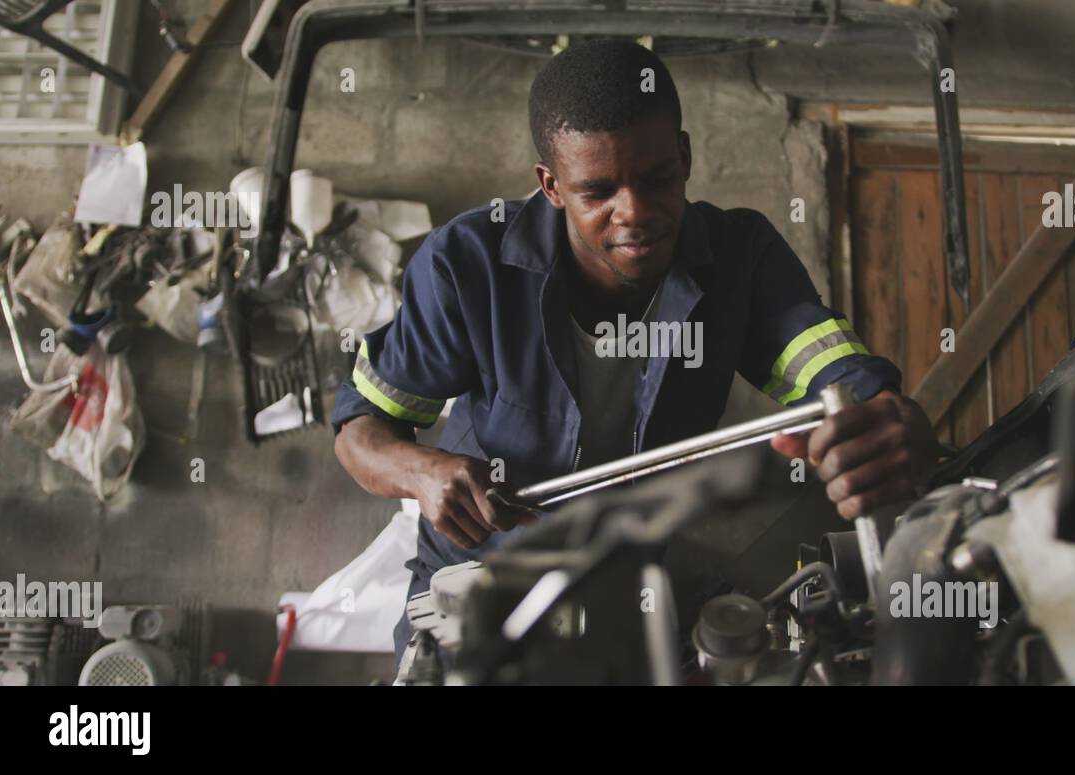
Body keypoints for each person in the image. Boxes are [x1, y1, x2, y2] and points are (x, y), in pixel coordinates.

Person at [331, 39, 940, 658]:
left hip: (631, 580)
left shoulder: (741, 260)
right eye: (597, 192)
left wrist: (895, 419)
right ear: (551, 185)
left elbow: (846, 380)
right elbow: (360, 429)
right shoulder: (467, 264)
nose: (636, 214)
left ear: (684, 155)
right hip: (478, 579)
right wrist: (420, 472)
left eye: (657, 179)